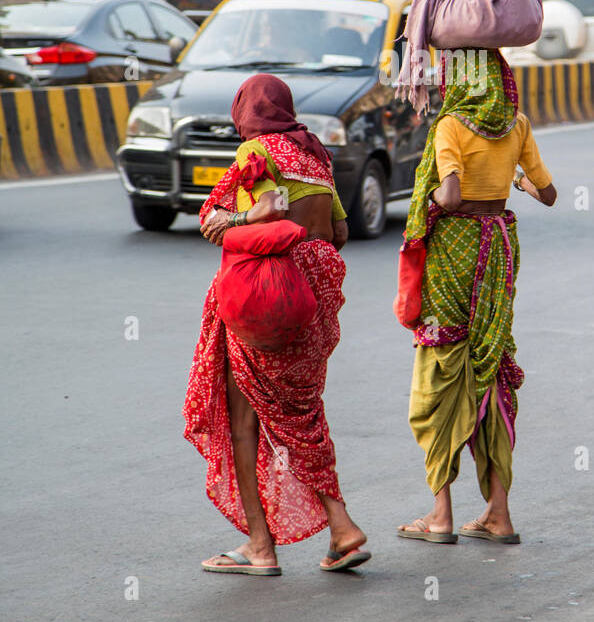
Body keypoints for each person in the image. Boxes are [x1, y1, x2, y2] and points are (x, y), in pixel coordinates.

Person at [184, 74, 370, 576]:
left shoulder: (256, 153)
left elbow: (247, 218)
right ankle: (341, 529)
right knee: (299, 411)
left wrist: (240, 222)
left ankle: (261, 546)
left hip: (267, 295)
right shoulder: (316, 156)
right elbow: (340, 233)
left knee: (244, 420)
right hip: (312, 296)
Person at [397, 49, 557, 546]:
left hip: (456, 249)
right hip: (499, 247)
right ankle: (498, 513)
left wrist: (426, 204)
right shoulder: (518, 125)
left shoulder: (450, 126)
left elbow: (445, 196)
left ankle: (441, 514)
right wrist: (512, 179)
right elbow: (548, 194)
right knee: (489, 365)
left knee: (442, 367)